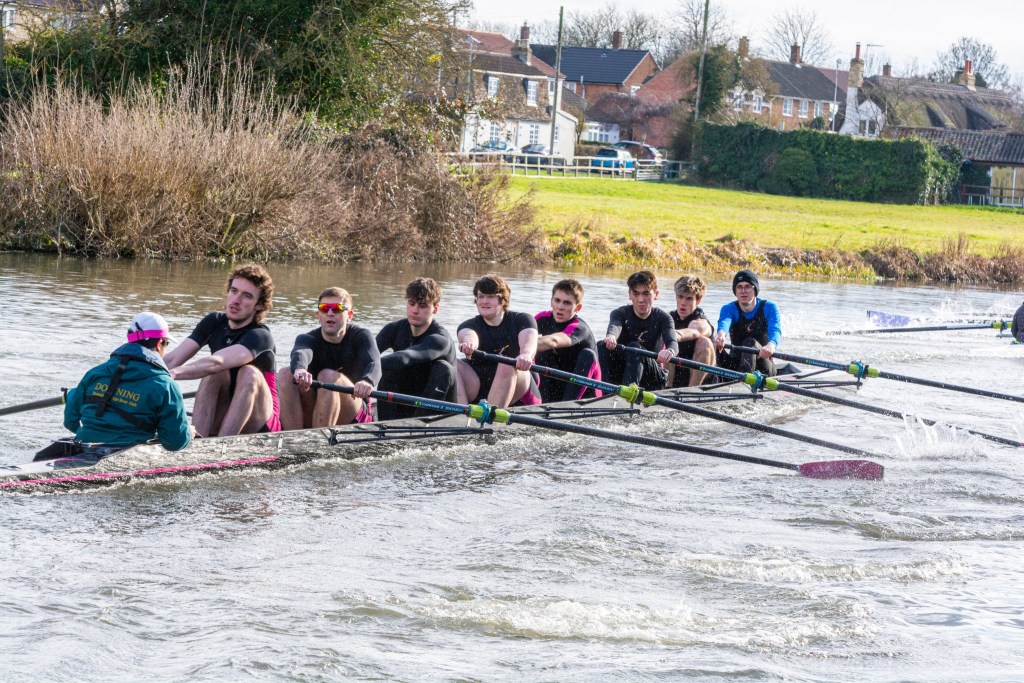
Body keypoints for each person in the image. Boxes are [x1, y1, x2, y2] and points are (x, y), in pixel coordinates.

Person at [50, 312, 191, 460]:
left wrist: (91, 432)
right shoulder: (166, 386)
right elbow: (174, 443)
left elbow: (70, 421)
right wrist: (187, 432)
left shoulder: (95, 373)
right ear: (159, 343)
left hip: (84, 449)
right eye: (166, 343)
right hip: (129, 457)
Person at [165, 264, 281, 436]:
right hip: (226, 411)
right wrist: (138, 373)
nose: (236, 300)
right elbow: (172, 359)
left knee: (248, 373)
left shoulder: (261, 336)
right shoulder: (214, 322)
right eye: (234, 291)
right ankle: (195, 441)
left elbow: (217, 362)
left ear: (259, 305)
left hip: (261, 425)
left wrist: (172, 374)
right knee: (214, 374)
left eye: (247, 296)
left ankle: (222, 445)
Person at [277, 287, 381, 429]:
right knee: (285, 373)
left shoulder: (361, 336)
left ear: (350, 315)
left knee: (327, 376)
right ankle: (291, 438)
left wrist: (367, 381)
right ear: (318, 315)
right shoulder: (306, 339)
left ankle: (319, 439)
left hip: (354, 410)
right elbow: (301, 353)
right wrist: (300, 369)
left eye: (337, 309)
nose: (330, 313)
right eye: (324, 309)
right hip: (317, 409)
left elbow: (374, 363)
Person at [375, 277, 457, 420]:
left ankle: (418, 426)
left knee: (443, 368)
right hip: (405, 404)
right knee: (386, 368)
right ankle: (384, 425)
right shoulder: (394, 329)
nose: (415, 310)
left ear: (435, 309)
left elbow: (406, 357)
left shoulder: (440, 339)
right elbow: (368, 354)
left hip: (437, 412)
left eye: (422, 306)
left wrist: (371, 366)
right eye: (411, 304)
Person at [456, 274, 540, 408]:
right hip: (481, 385)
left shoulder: (523, 320)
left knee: (506, 363)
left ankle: (491, 417)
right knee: (452, 363)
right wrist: (469, 343)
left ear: (503, 300)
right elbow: (468, 335)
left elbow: (529, 342)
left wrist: (525, 354)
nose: (484, 301)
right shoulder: (468, 325)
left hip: (519, 387)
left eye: (490, 296)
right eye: (481, 296)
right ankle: (461, 413)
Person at [599, 270, 678, 389]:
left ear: (656, 294)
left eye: (646, 294)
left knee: (634, 348)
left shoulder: (664, 318)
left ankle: (626, 393)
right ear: (629, 295)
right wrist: (611, 336)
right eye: (636, 294)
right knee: (601, 345)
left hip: (652, 377)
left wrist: (670, 351)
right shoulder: (619, 313)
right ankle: (604, 391)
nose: (641, 300)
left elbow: (673, 342)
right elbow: (615, 326)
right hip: (624, 369)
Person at [533, 278, 602, 403]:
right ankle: (540, 402)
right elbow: (520, 333)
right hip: (559, 385)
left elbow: (554, 341)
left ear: (578, 308)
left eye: (567, 303)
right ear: (551, 301)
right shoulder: (543, 318)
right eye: (557, 300)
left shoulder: (579, 327)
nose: (560, 307)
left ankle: (566, 406)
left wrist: (525, 346)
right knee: (538, 351)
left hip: (586, 393)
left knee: (588, 354)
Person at [713, 269, 781, 376]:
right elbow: (724, 322)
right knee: (711, 343)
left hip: (763, 366)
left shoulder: (769, 307)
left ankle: (742, 381)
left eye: (748, 286)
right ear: (735, 291)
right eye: (739, 287)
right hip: (736, 363)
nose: (743, 291)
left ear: (755, 289)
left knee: (750, 342)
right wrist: (721, 334)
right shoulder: (729, 309)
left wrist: (771, 345)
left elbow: (775, 330)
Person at [668, 275, 716, 387]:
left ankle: (691, 390)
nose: (683, 302)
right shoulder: (669, 318)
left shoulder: (701, 322)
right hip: (677, 375)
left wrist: (669, 334)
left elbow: (693, 332)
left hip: (703, 381)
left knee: (704, 342)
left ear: (698, 300)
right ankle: (666, 387)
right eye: (680, 297)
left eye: (689, 298)